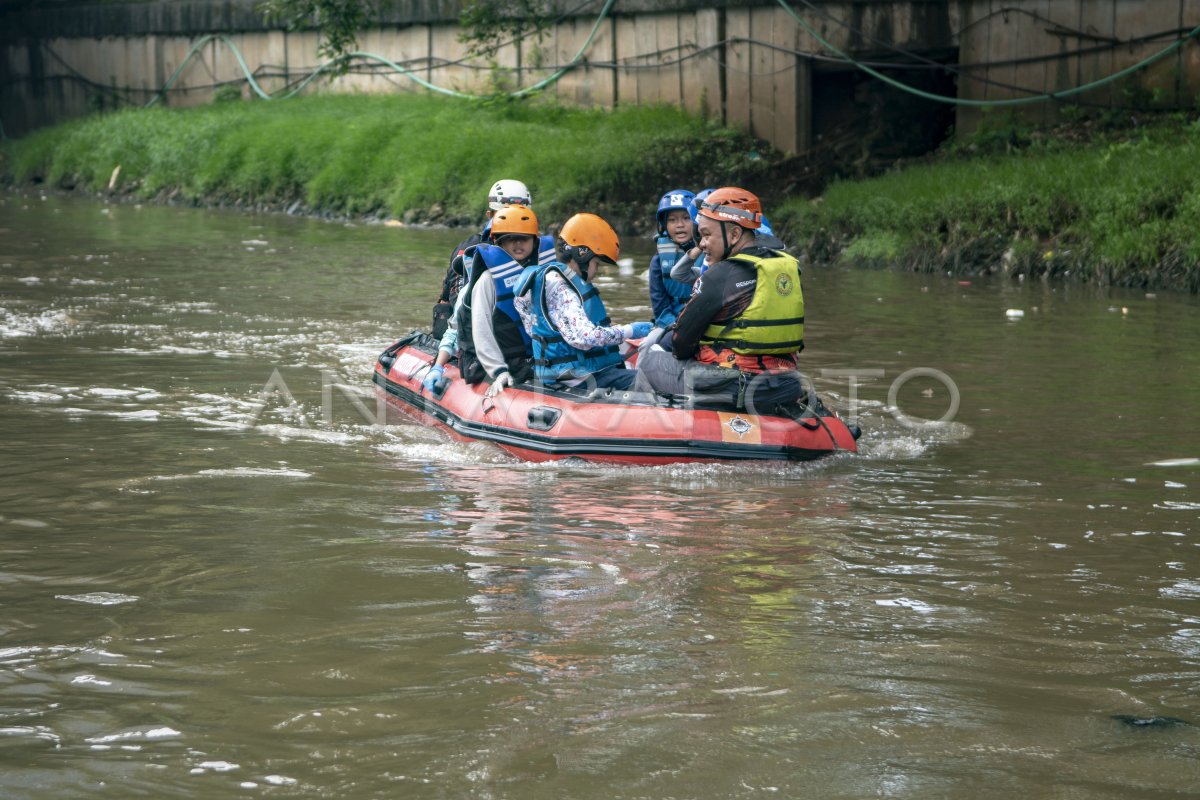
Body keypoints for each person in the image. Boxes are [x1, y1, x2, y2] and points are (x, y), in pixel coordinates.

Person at [633, 187, 805, 410]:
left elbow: (680, 344)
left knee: (650, 360)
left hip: (736, 389)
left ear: (734, 234)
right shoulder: (788, 268)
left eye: (706, 235)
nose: (701, 244)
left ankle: (651, 420)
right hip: (784, 385)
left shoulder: (719, 276)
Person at [423, 205, 554, 396]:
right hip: (496, 363)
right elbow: (478, 330)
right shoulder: (486, 281)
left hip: (531, 360)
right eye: (510, 238)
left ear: (535, 241)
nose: (518, 244)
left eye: (524, 238)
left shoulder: (544, 275)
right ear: (497, 242)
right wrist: (498, 371)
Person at [514, 213, 651, 391]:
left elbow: (534, 324)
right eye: (596, 263)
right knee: (651, 379)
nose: (597, 271)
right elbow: (583, 337)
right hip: (576, 376)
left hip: (567, 371)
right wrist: (630, 330)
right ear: (582, 254)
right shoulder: (562, 289)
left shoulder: (550, 280)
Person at [431, 179, 532, 339]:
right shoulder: (470, 252)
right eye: (505, 217)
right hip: (476, 332)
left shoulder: (536, 251)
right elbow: (459, 303)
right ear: (490, 216)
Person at [647, 189, 697, 328]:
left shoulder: (711, 253)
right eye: (672, 220)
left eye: (686, 218)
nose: (680, 224)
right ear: (664, 225)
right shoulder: (658, 261)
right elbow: (660, 307)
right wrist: (674, 326)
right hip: (673, 325)